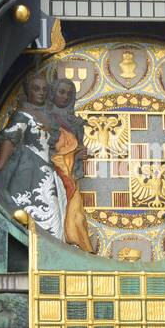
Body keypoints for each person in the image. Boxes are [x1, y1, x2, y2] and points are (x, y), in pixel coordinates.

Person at [0, 73, 66, 239]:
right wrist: (0, 166)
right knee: (33, 211)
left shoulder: (48, 116)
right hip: (28, 171)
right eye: (36, 88)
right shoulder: (23, 115)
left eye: (45, 89)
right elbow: (10, 138)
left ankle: (50, 249)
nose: (41, 92)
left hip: (47, 170)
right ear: (28, 91)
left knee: (54, 215)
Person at [48, 78, 94, 253]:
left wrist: (79, 155)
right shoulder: (47, 118)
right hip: (57, 171)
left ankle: (78, 244)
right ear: (52, 93)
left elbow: (74, 144)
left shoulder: (74, 121)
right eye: (62, 92)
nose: (65, 96)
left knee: (74, 210)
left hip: (70, 170)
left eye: (69, 93)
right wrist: (73, 153)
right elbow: (47, 150)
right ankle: (66, 241)